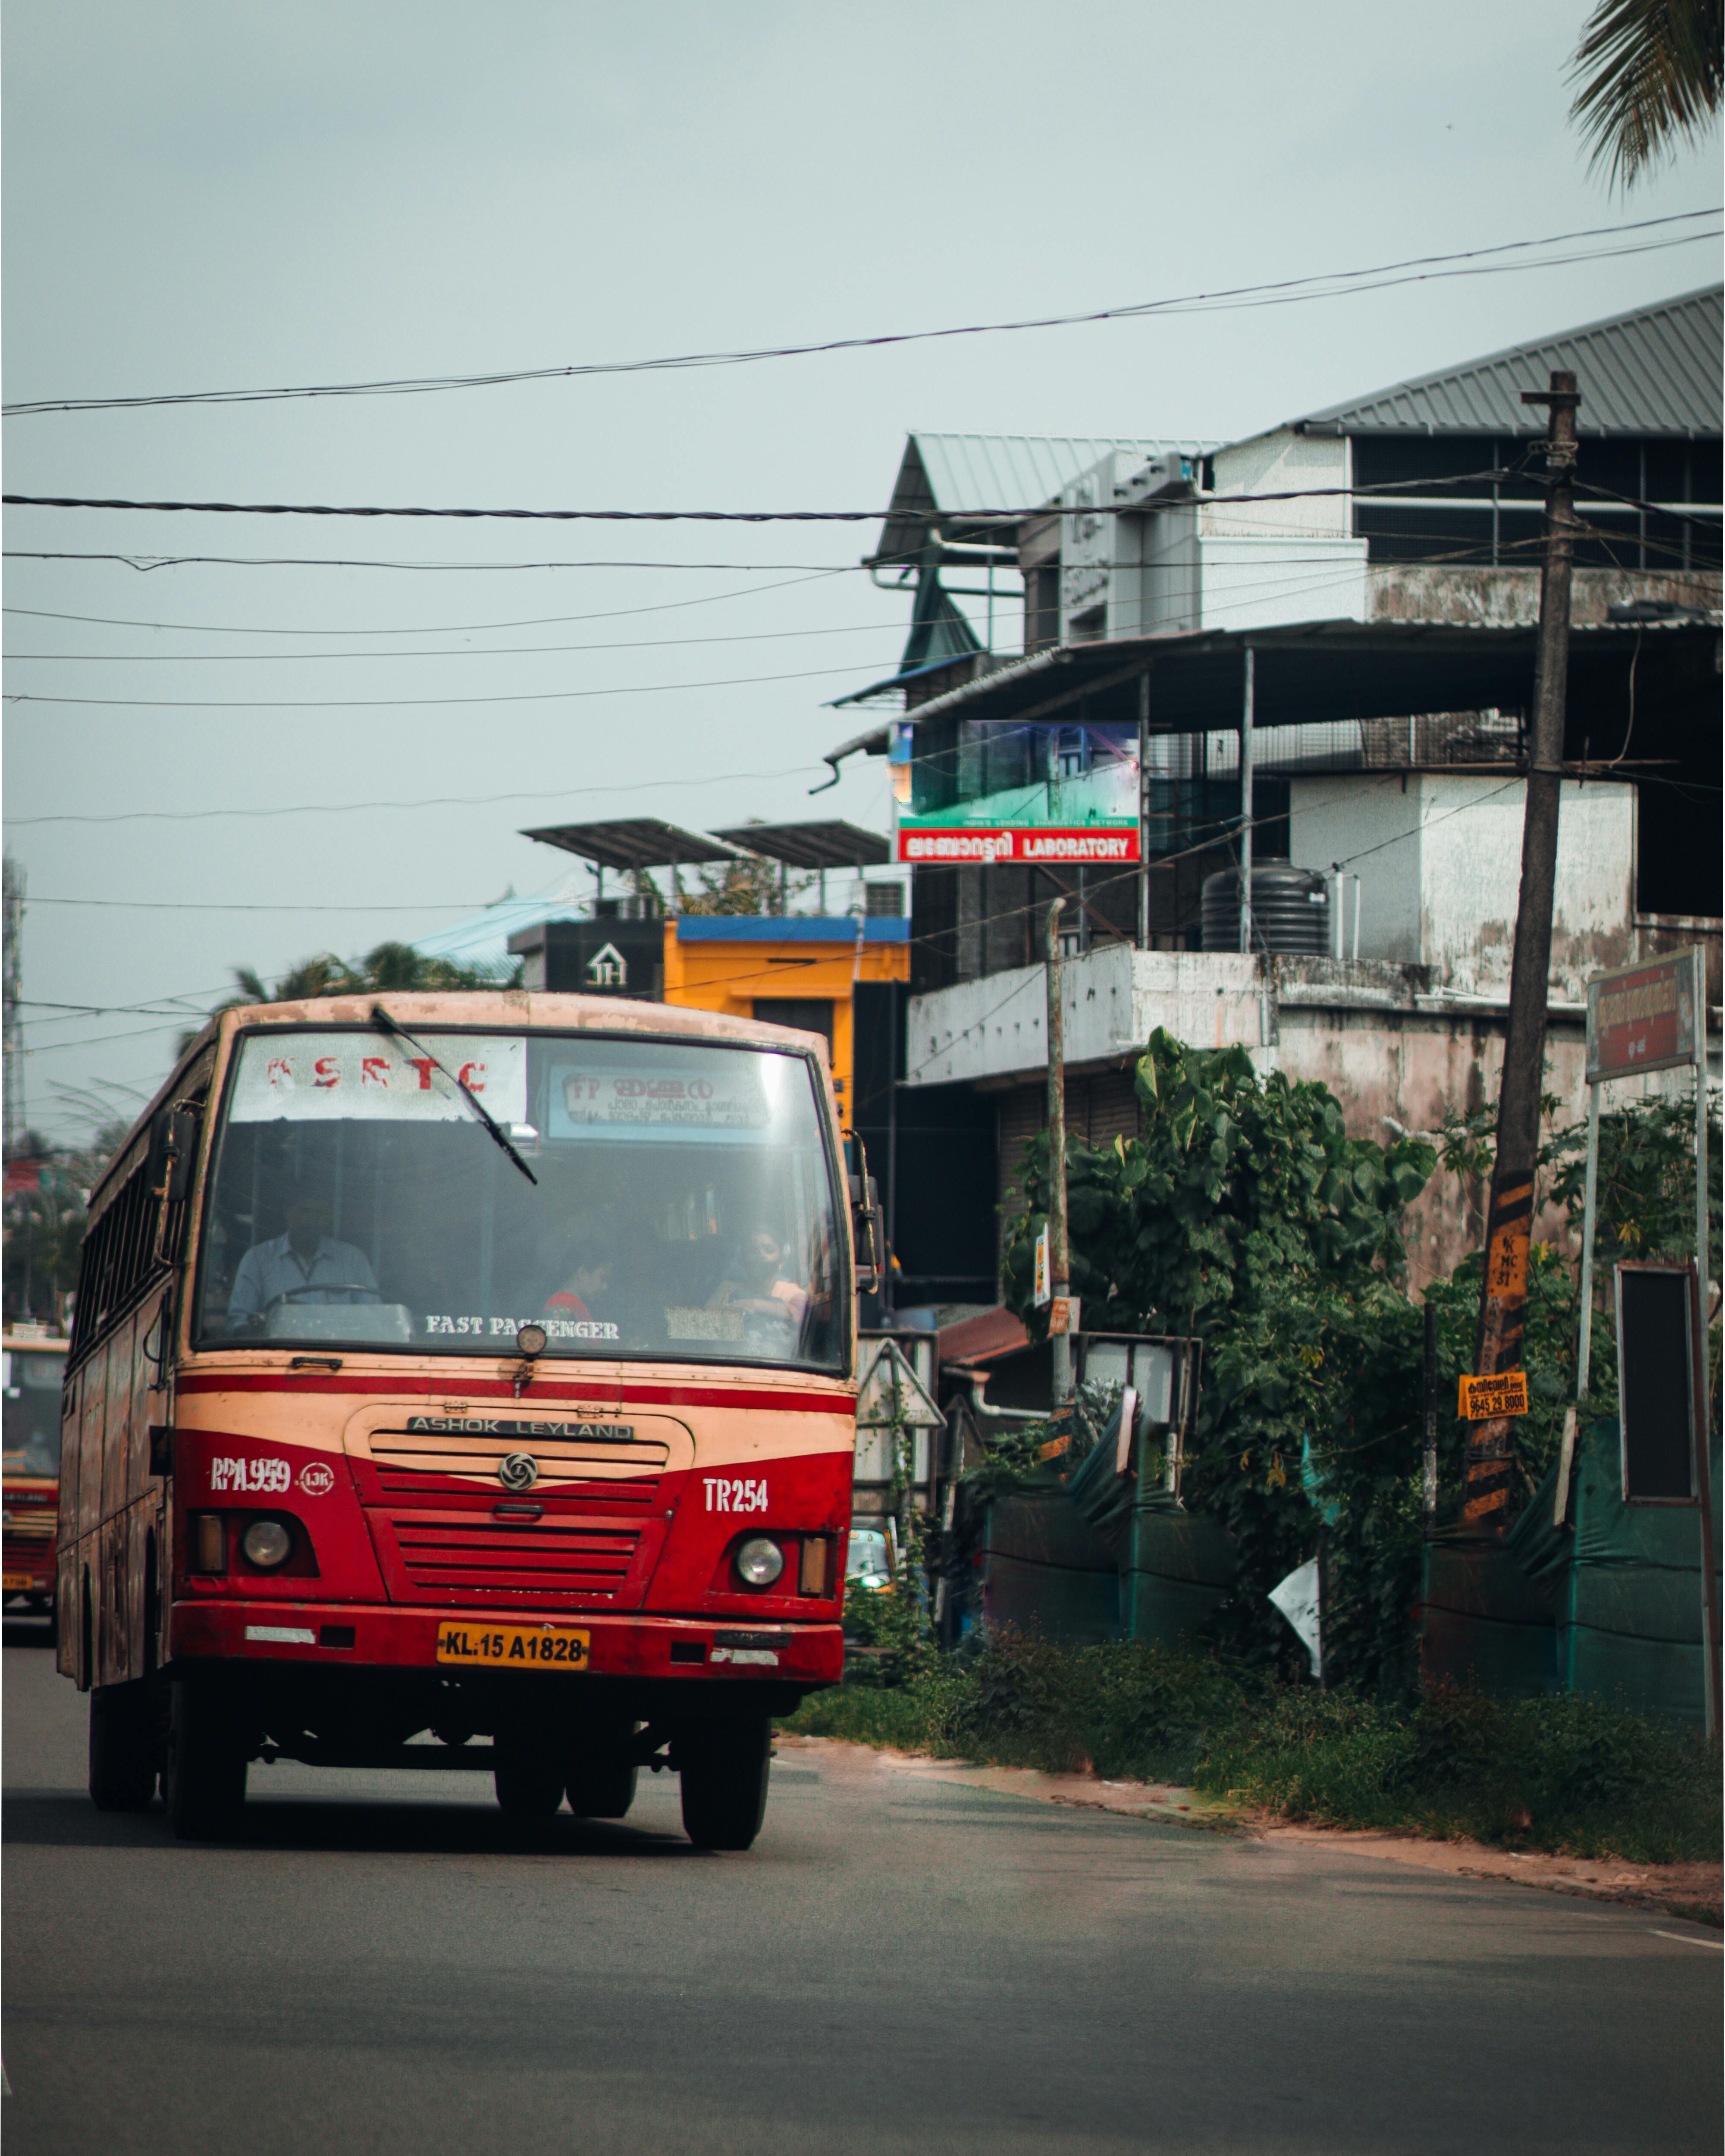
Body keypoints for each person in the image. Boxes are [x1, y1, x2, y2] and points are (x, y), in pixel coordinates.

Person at [227, 1186, 378, 1333]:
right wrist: (259, 1328)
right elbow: (238, 1322)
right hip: (278, 1353)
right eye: (305, 1211)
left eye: (319, 1214)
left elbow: (373, 1318)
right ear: (287, 1212)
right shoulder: (258, 1259)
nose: (310, 1220)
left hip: (340, 1351)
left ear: (328, 1218)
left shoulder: (353, 1259)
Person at [709, 1221, 808, 1330]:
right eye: (753, 1250)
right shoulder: (727, 1289)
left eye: (769, 1250)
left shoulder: (789, 1292)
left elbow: (806, 1315)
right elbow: (707, 1324)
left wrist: (756, 1305)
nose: (761, 1255)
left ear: (782, 1260)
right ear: (743, 1261)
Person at [542, 1223, 614, 1327]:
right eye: (602, 1278)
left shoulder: (572, 1306)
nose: (605, 1287)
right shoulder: (564, 1303)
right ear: (582, 1273)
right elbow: (552, 1342)